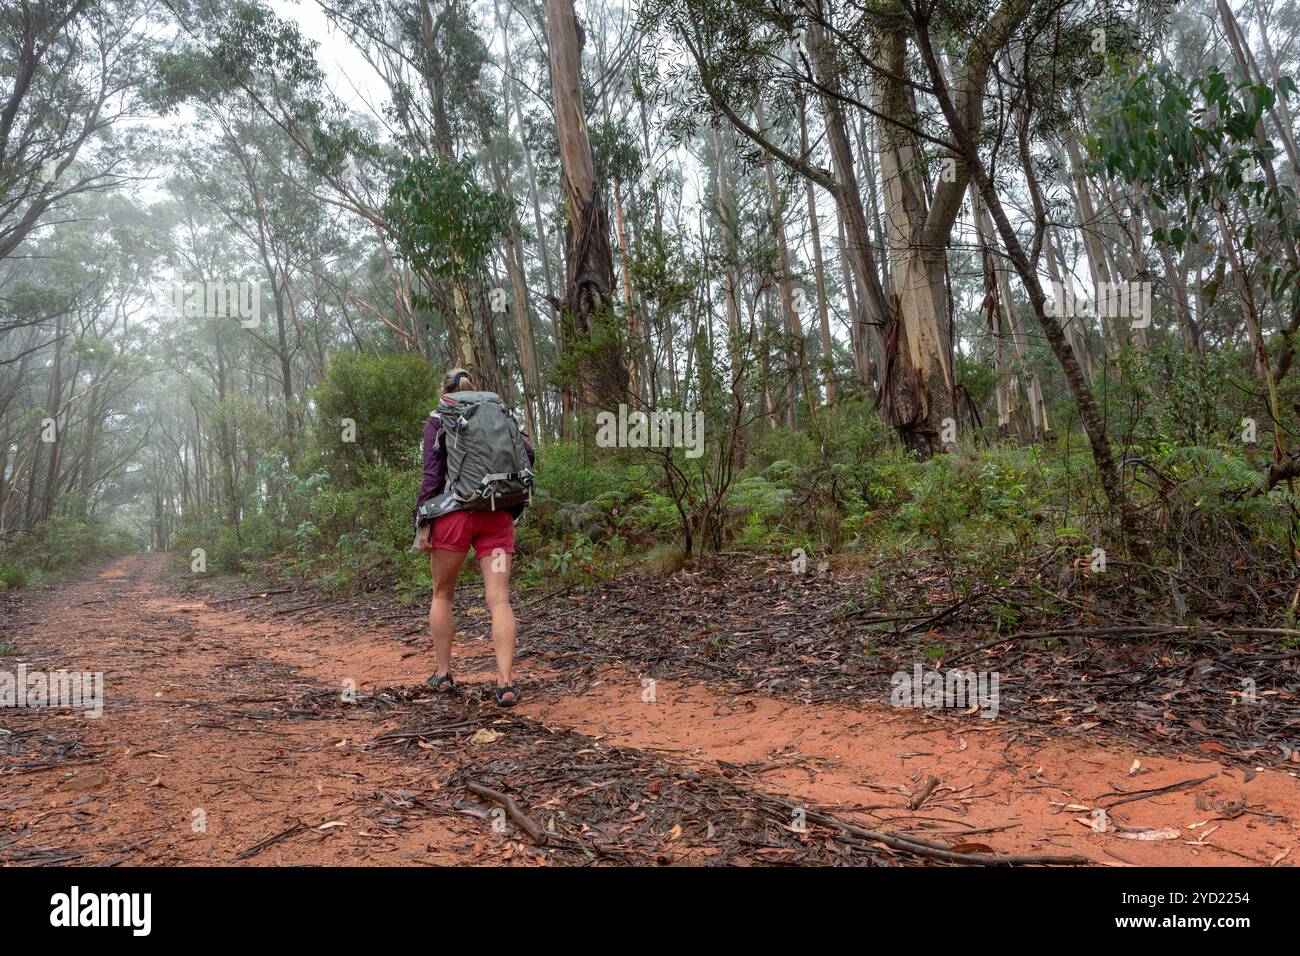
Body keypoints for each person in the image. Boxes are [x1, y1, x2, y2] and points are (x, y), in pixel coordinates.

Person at [413, 368, 534, 707]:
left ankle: (444, 674)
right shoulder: (496, 413)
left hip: (454, 519)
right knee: (499, 599)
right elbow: (528, 456)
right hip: (495, 515)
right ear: (473, 387)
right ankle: (506, 682)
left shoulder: (440, 418)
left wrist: (422, 519)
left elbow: (432, 476)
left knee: (442, 594)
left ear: (444, 389)